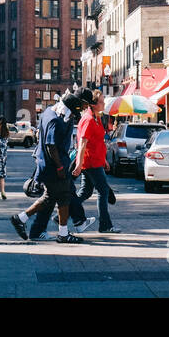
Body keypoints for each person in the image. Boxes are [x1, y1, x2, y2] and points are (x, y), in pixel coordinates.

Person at [13, 92, 86, 243]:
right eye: (73, 112)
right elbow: (50, 145)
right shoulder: (55, 120)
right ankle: (62, 234)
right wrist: (59, 167)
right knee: (61, 197)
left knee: (54, 197)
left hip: (49, 164)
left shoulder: (48, 112)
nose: (73, 115)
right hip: (54, 165)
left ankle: (22, 218)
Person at [74, 90, 118, 233]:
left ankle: (63, 213)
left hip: (96, 160)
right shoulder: (88, 119)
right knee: (103, 191)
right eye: (101, 102)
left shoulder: (97, 118)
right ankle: (105, 225)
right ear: (93, 104)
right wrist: (79, 165)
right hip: (91, 162)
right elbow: (82, 143)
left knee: (85, 192)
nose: (104, 104)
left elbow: (97, 142)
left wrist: (104, 159)